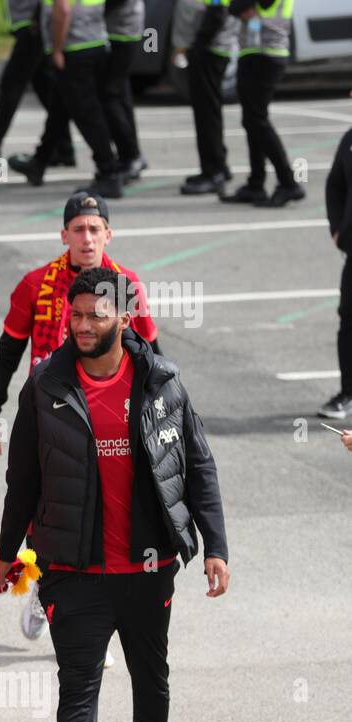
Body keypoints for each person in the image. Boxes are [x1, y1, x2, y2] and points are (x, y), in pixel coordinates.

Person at [0, 266, 229, 722]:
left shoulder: (162, 381)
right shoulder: (45, 385)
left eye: (97, 315)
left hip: (148, 571)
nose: (84, 324)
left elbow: (198, 464)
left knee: (152, 680)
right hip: (75, 572)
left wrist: (216, 547)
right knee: (78, 689)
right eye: (76, 315)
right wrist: (6, 555)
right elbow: (23, 478)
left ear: (124, 317)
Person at [0, 191, 160, 638]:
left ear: (108, 234)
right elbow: (7, 354)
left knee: (104, 507)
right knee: (45, 504)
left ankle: (96, 615)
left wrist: (160, 414)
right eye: (78, 229)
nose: (87, 238)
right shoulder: (35, 284)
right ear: (64, 235)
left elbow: (152, 354)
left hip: (110, 415)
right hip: (50, 413)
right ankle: (46, 584)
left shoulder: (127, 286)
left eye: (95, 229)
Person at [9, 0, 125, 198]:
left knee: (87, 115)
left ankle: (109, 172)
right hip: (95, 40)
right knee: (59, 109)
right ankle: (40, 161)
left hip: (73, 48)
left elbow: (62, 9)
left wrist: (56, 49)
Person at [221, 0, 304, 207]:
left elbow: (236, 6)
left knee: (257, 121)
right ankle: (256, 184)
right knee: (252, 121)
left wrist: (239, 8)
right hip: (257, 53)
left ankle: (288, 183)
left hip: (265, 54)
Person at [0, 1, 54, 170]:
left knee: (10, 87)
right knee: (45, 88)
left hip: (32, 26)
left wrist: (37, 18)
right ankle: (63, 148)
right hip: (33, 25)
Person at [175, 0, 240, 196]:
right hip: (211, 48)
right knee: (209, 112)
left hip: (210, 51)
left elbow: (217, 12)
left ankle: (213, 173)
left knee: (206, 115)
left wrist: (197, 46)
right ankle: (218, 166)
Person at [319, 123, 352, 419]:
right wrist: (337, 229)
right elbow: (335, 185)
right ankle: (348, 392)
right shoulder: (350, 140)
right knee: (348, 319)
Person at [101, 0, 147, 183]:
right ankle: (131, 155)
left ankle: (130, 156)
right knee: (119, 94)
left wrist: (95, 12)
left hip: (120, 31)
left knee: (111, 95)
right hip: (119, 29)